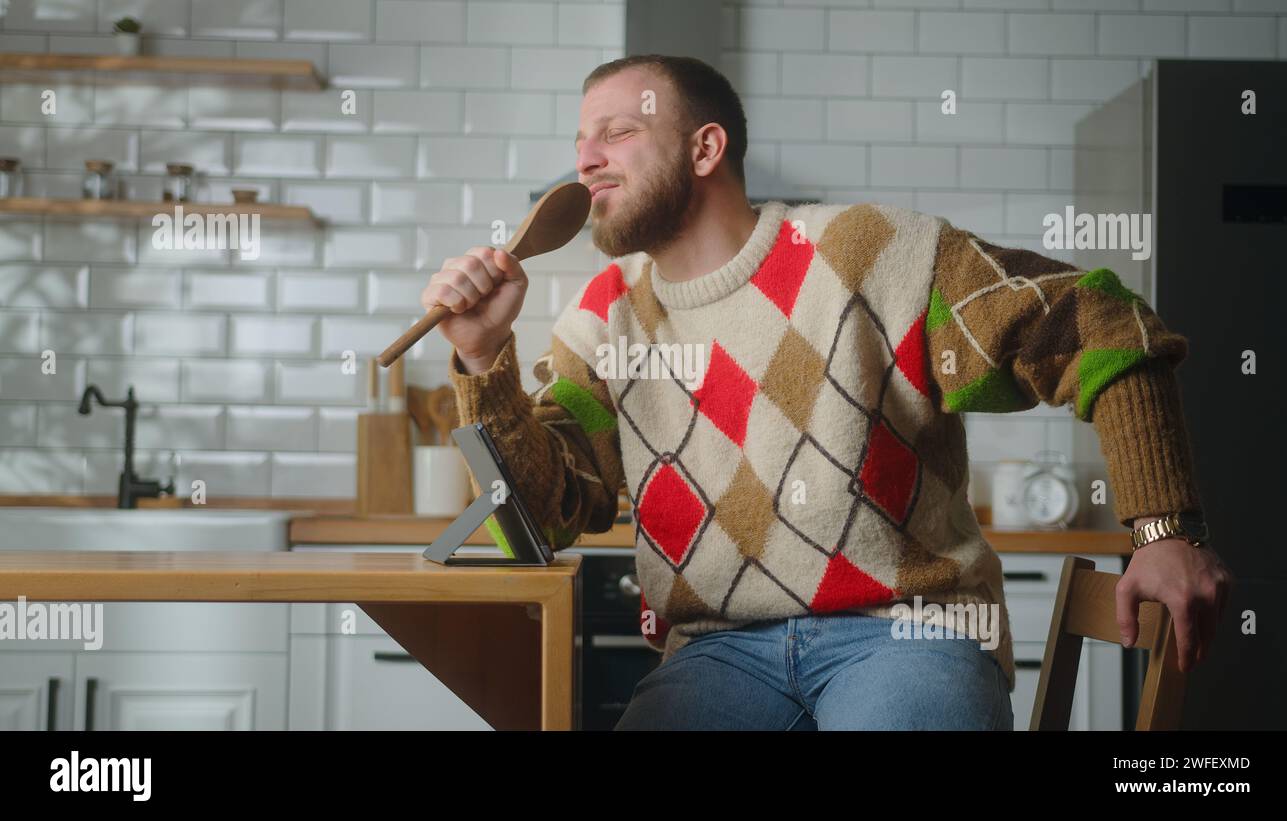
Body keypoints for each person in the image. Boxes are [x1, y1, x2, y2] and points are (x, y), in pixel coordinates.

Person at [422, 55, 1233, 731]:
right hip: (715, 650)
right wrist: (484, 359)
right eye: (580, 140)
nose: (586, 159)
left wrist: (1163, 527)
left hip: (913, 635)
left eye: (618, 132)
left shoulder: (874, 255)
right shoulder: (604, 316)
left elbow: (1102, 319)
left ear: (706, 149)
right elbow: (542, 511)